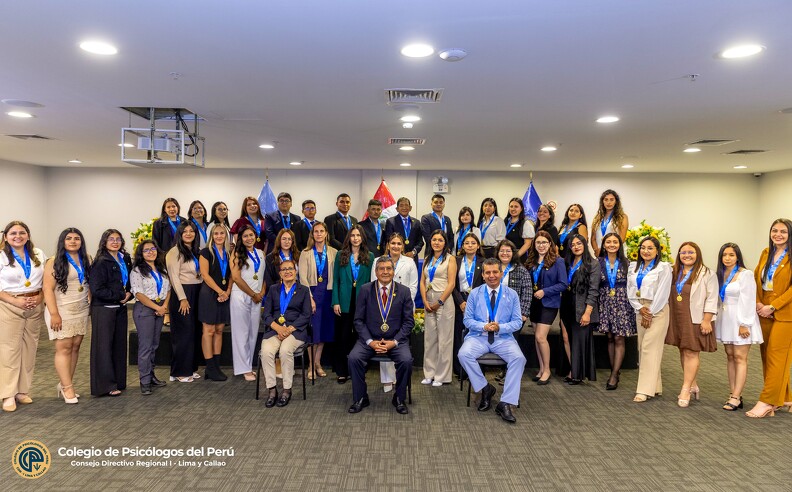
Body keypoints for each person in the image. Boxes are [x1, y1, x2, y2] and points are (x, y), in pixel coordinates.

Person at [458, 258, 527, 423]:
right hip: (479, 337)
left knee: (519, 358)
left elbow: (517, 322)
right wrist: (483, 326)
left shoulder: (512, 294)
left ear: (501, 273)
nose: (491, 275)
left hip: (503, 338)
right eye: (487, 272)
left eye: (495, 272)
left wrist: (500, 327)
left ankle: (505, 402)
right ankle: (485, 388)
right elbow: (467, 320)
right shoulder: (475, 293)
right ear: (483, 275)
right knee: (463, 354)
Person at [348, 257, 414, 415]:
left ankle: (399, 398)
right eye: (381, 269)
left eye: (388, 268)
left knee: (406, 360)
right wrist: (370, 342)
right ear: (376, 272)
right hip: (370, 339)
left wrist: (394, 342)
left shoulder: (404, 291)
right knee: (354, 358)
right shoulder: (365, 290)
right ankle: (361, 397)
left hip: (395, 340)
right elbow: (358, 320)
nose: (385, 272)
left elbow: (408, 322)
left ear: (393, 271)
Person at [746, 218, 792, 418]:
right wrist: (758, 302)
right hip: (763, 310)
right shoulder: (766, 252)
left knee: (777, 356)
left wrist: (773, 306)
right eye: (775, 230)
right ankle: (785, 397)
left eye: (783, 231)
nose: (778, 235)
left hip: (785, 313)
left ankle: (767, 401)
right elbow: (756, 278)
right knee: (768, 356)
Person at [664, 242, 718, 407]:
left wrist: (707, 319)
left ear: (698, 254)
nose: (687, 255)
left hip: (695, 318)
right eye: (683, 252)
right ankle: (693, 384)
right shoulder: (673, 271)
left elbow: (712, 297)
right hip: (676, 316)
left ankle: (686, 389)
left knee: (691, 352)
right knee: (683, 349)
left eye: (691, 252)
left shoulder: (707, 273)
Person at [0, 221, 46, 412]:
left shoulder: (38, 254)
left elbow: (46, 281)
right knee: (10, 350)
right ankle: (8, 394)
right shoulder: (1, 256)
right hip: (9, 304)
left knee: (29, 349)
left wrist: (40, 298)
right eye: (13, 233)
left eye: (22, 232)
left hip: (35, 305)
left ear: (28, 235)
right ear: (5, 237)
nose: (18, 236)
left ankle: (22, 391)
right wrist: (15, 301)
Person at [43, 228, 90, 404]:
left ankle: (65, 383)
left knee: (75, 347)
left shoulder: (87, 258)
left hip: (81, 309)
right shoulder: (54, 261)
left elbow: (87, 283)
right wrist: (54, 314)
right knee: (64, 348)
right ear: (62, 241)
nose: (73, 241)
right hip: (61, 309)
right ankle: (67, 387)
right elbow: (47, 289)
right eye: (68, 238)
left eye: (77, 238)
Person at [713, 243, 762, 411]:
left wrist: (744, 324)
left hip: (741, 319)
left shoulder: (745, 274)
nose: (727, 258)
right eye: (724, 255)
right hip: (725, 318)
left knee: (740, 357)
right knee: (730, 356)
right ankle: (734, 394)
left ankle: (735, 396)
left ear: (737, 257)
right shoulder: (720, 274)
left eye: (731, 255)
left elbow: (749, 300)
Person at [260, 259, 312, 408]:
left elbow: (306, 315)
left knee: (285, 350)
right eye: (284, 269)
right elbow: (266, 315)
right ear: (280, 273)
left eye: (290, 269)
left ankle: (286, 390)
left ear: (295, 272)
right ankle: (272, 390)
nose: (287, 271)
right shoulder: (273, 289)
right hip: (275, 330)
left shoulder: (303, 290)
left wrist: (288, 329)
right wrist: (278, 328)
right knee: (266, 351)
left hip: (296, 331)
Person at [628, 236, 672, 403]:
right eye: (643, 247)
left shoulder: (663, 267)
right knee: (643, 348)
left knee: (649, 348)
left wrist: (650, 312)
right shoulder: (634, 267)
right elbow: (630, 290)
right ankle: (655, 386)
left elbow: (663, 293)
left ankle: (644, 390)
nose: (646, 251)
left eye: (650, 248)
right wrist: (639, 308)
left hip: (657, 310)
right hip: (640, 308)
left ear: (657, 251)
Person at [372, 233, 419, 392]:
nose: (396, 246)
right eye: (393, 243)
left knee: (399, 343)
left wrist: (400, 303)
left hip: (403, 308)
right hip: (382, 308)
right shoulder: (377, 261)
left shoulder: (410, 262)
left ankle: (400, 378)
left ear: (403, 246)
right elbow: (373, 284)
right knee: (384, 339)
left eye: (399, 243)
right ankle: (387, 380)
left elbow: (413, 287)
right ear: (388, 245)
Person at [89, 229, 132, 397]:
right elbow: (97, 289)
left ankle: (118, 381)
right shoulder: (101, 261)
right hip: (104, 309)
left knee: (119, 346)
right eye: (111, 239)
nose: (115, 242)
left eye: (118, 239)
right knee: (104, 348)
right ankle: (105, 386)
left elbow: (129, 281)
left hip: (120, 308)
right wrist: (119, 295)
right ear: (104, 242)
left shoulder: (125, 258)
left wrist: (129, 294)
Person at [332, 225, 375, 384]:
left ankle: (359, 368)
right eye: (353, 235)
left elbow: (371, 281)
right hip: (344, 301)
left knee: (360, 336)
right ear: (348, 238)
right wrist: (335, 301)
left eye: (358, 235)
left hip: (362, 301)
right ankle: (342, 371)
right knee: (342, 337)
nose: (356, 238)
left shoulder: (370, 256)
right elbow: (335, 280)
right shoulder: (340, 255)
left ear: (363, 237)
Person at [130, 240, 170, 395]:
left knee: (154, 345)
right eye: (146, 250)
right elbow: (139, 294)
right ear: (141, 253)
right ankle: (144, 381)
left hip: (160, 308)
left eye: (153, 249)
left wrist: (164, 306)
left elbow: (168, 289)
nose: (151, 252)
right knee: (145, 347)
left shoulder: (162, 269)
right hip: (145, 309)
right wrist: (157, 307)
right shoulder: (137, 271)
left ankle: (151, 375)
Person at [597, 232, 636, 390]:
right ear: (604, 245)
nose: (612, 244)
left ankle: (614, 374)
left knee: (619, 338)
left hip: (622, 304)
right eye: (608, 242)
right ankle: (615, 369)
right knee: (610, 338)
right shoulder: (598, 262)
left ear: (620, 244)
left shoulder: (628, 263)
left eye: (615, 242)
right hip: (605, 302)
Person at [527, 230, 567, 384]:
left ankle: (548, 370)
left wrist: (545, 291)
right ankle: (541, 368)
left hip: (549, 303)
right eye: (538, 242)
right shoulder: (531, 261)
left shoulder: (558, 261)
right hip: (534, 303)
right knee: (536, 338)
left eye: (544, 242)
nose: (541, 245)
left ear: (550, 244)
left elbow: (563, 284)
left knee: (540, 337)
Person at [165, 221, 203, 383]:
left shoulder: (194, 251)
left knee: (194, 332)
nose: (188, 234)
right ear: (179, 234)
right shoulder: (174, 252)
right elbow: (174, 277)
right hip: (183, 294)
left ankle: (190, 368)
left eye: (191, 231)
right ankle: (179, 372)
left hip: (197, 292)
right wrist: (182, 298)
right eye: (185, 231)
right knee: (183, 334)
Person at [299, 221, 337, 379]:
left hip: (328, 295)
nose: (319, 234)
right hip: (313, 294)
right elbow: (302, 279)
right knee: (313, 332)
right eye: (316, 231)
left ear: (326, 233)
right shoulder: (306, 253)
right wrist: (310, 299)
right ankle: (310, 366)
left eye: (322, 231)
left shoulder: (334, 252)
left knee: (323, 332)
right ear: (312, 234)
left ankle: (317, 363)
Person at [560, 234, 599, 384]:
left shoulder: (593, 264)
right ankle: (573, 369)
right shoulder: (567, 262)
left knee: (579, 341)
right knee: (566, 338)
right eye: (573, 245)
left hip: (582, 307)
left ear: (584, 244)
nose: (576, 247)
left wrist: (587, 313)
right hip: (566, 304)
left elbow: (594, 291)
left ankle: (577, 373)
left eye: (579, 243)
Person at [420, 230, 457, 386]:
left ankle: (441, 376)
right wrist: (424, 301)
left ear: (445, 242)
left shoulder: (450, 259)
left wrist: (440, 302)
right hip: (428, 301)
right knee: (430, 339)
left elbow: (452, 283)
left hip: (444, 301)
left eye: (440, 240)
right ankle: (429, 373)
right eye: (434, 239)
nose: (436, 242)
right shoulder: (427, 259)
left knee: (444, 340)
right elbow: (422, 281)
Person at [230, 225, 267, 381]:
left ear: (255, 236)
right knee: (241, 333)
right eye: (245, 236)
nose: (249, 238)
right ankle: (243, 368)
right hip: (241, 296)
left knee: (253, 333)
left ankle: (249, 365)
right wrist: (252, 294)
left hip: (257, 297)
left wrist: (261, 293)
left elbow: (263, 276)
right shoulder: (237, 253)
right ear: (240, 238)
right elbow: (236, 278)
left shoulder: (260, 253)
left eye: (251, 235)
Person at [198, 224, 233, 381]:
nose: (219, 236)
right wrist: (220, 292)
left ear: (226, 235)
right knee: (209, 330)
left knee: (219, 330)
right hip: (210, 294)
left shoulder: (229, 253)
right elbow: (205, 275)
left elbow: (232, 275)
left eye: (222, 233)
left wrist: (228, 292)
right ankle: (210, 367)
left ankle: (216, 366)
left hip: (224, 294)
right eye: (216, 233)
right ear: (211, 236)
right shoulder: (206, 252)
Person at [452, 233, 485, 375]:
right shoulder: (456, 260)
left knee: (475, 335)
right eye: (467, 243)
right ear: (462, 246)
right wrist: (460, 302)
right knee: (458, 335)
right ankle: (459, 370)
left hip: (478, 302)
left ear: (478, 246)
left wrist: (472, 303)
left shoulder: (484, 262)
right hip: (459, 300)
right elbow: (452, 284)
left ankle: (475, 370)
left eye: (473, 243)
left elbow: (486, 285)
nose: (470, 245)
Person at [591, 189, 629, 256]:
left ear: (616, 201)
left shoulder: (622, 217)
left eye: (611, 200)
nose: (608, 202)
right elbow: (593, 239)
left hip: (615, 253)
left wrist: (608, 250)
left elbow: (622, 238)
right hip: (600, 254)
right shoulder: (597, 218)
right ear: (602, 201)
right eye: (606, 200)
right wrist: (596, 250)